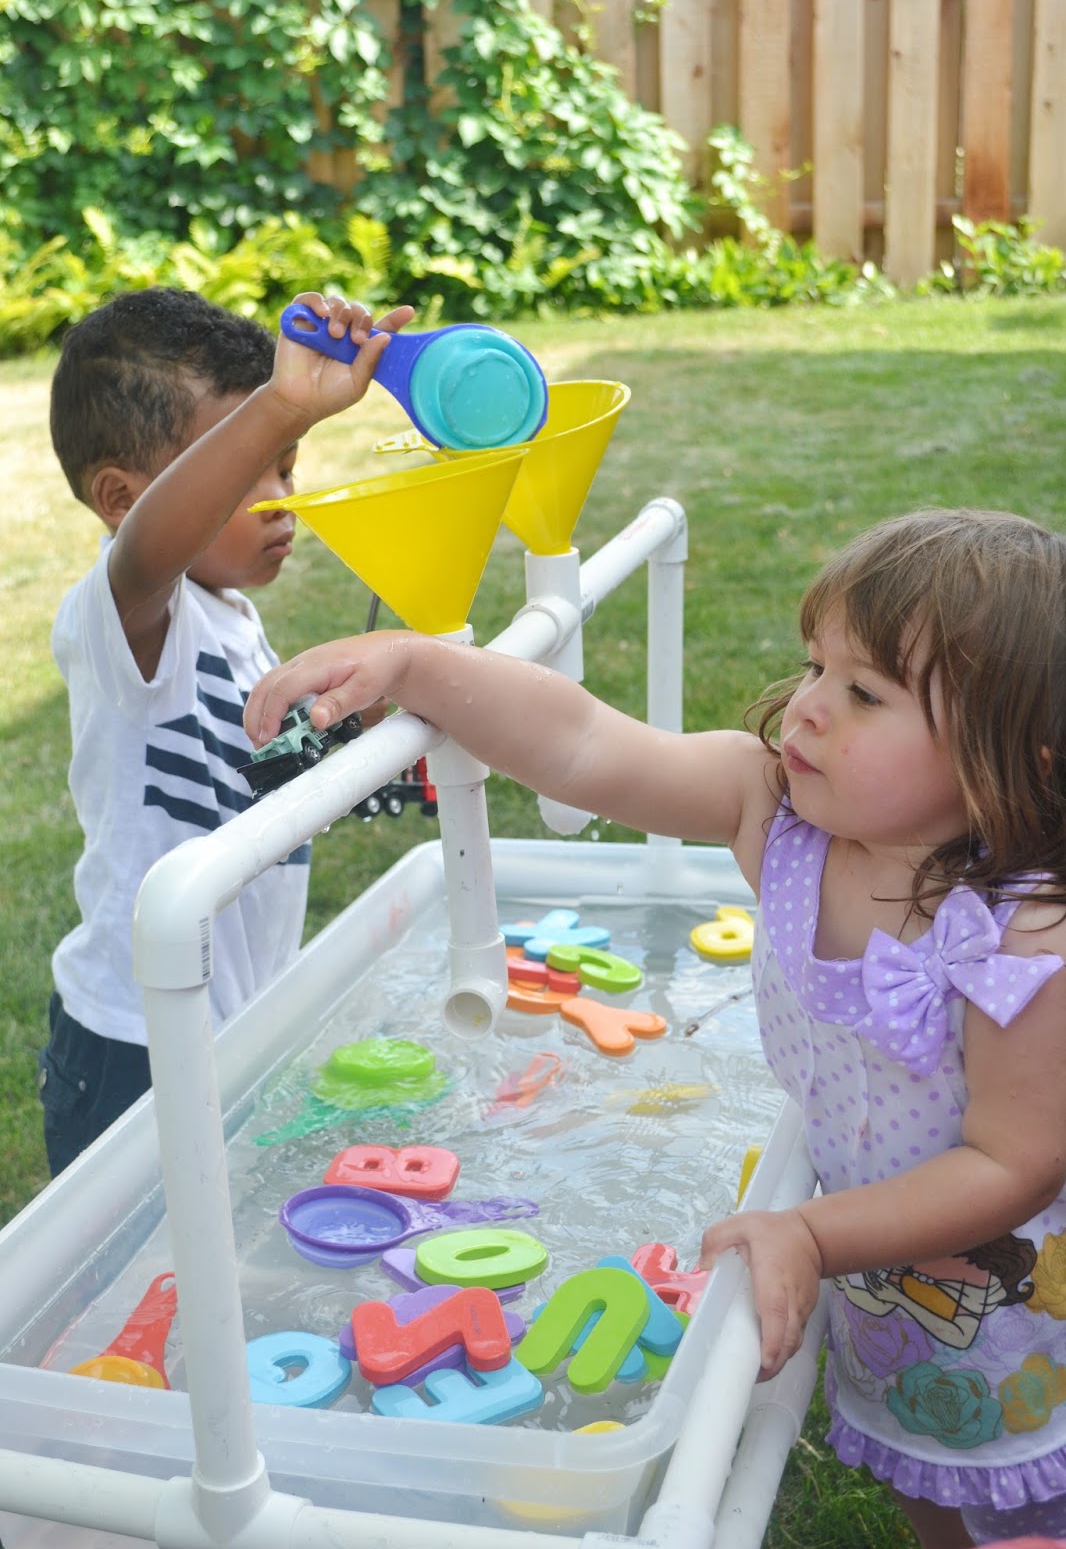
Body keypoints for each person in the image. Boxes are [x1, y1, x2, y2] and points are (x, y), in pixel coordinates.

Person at [244, 507, 1066, 1548]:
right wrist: (417, 665)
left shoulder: (1022, 936)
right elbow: (585, 742)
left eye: (865, 693)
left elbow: (1013, 1162)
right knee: (930, 1484)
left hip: (1027, 1321)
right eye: (815, 666)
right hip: (891, 1294)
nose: (809, 708)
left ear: (1015, 761)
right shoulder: (779, 819)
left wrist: (812, 1233)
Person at [42, 286, 413, 1177]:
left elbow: (261, 775)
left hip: (235, 1009)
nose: (283, 501)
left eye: (287, 466)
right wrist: (282, 402)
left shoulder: (232, 618)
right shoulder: (124, 616)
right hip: (135, 1040)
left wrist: (354, 717)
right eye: (248, 471)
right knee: (141, 1261)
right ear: (121, 498)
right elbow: (149, 552)